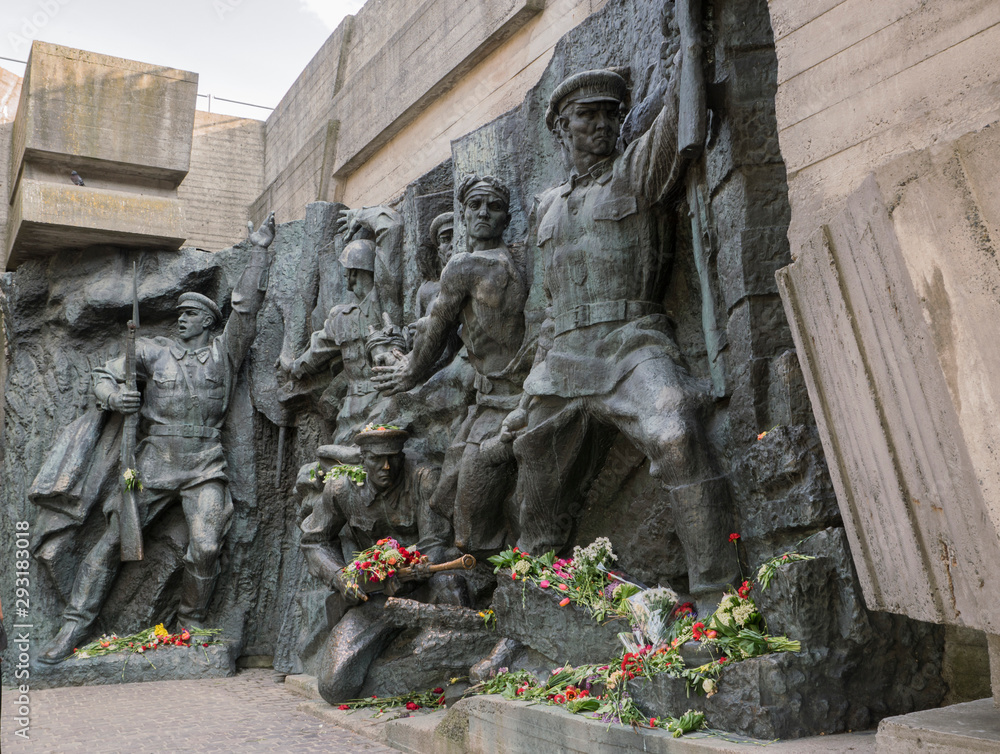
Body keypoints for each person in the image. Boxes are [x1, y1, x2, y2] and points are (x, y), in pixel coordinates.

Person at [501, 63, 738, 603]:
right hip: (561, 360)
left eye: (612, 115)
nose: (602, 126)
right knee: (535, 479)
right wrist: (529, 390)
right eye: (588, 116)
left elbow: (683, 110)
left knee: (676, 434)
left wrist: (691, 40)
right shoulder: (546, 207)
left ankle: (717, 598)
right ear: (562, 127)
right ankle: (535, 609)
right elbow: (549, 306)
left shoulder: (636, 170)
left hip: (632, 341)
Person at [38, 214, 276, 663]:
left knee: (206, 544)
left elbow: (246, 307)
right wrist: (115, 398)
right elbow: (105, 375)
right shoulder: (152, 350)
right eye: (180, 314)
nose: (181, 320)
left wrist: (259, 251)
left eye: (190, 315)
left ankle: (193, 622)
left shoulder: (226, 353)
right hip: (153, 463)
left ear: (207, 322)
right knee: (111, 543)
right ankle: (73, 627)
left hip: (205, 462)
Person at [374, 175, 531, 553]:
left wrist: (410, 370)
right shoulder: (496, 261)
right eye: (475, 205)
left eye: (493, 207)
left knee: (468, 521)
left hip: (511, 402)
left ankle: (513, 561)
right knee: (447, 493)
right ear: (463, 215)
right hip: (487, 400)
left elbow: (441, 326)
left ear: (506, 218)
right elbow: (447, 327)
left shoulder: (463, 265)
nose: (483, 213)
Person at [300, 427, 465, 703]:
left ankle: (457, 677)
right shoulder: (341, 489)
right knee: (333, 687)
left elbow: (435, 542)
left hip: (423, 586)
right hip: (374, 596)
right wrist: (340, 577)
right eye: (377, 459)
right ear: (363, 459)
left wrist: (421, 567)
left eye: (393, 457)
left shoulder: (423, 479)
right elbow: (314, 541)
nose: (386, 466)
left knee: (452, 586)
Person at [286, 207, 407, 446]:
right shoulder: (339, 317)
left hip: (385, 402)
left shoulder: (386, 302)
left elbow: (391, 226)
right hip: (350, 411)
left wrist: (361, 215)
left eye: (347, 271)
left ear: (351, 273)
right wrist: (293, 367)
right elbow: (313, 356)